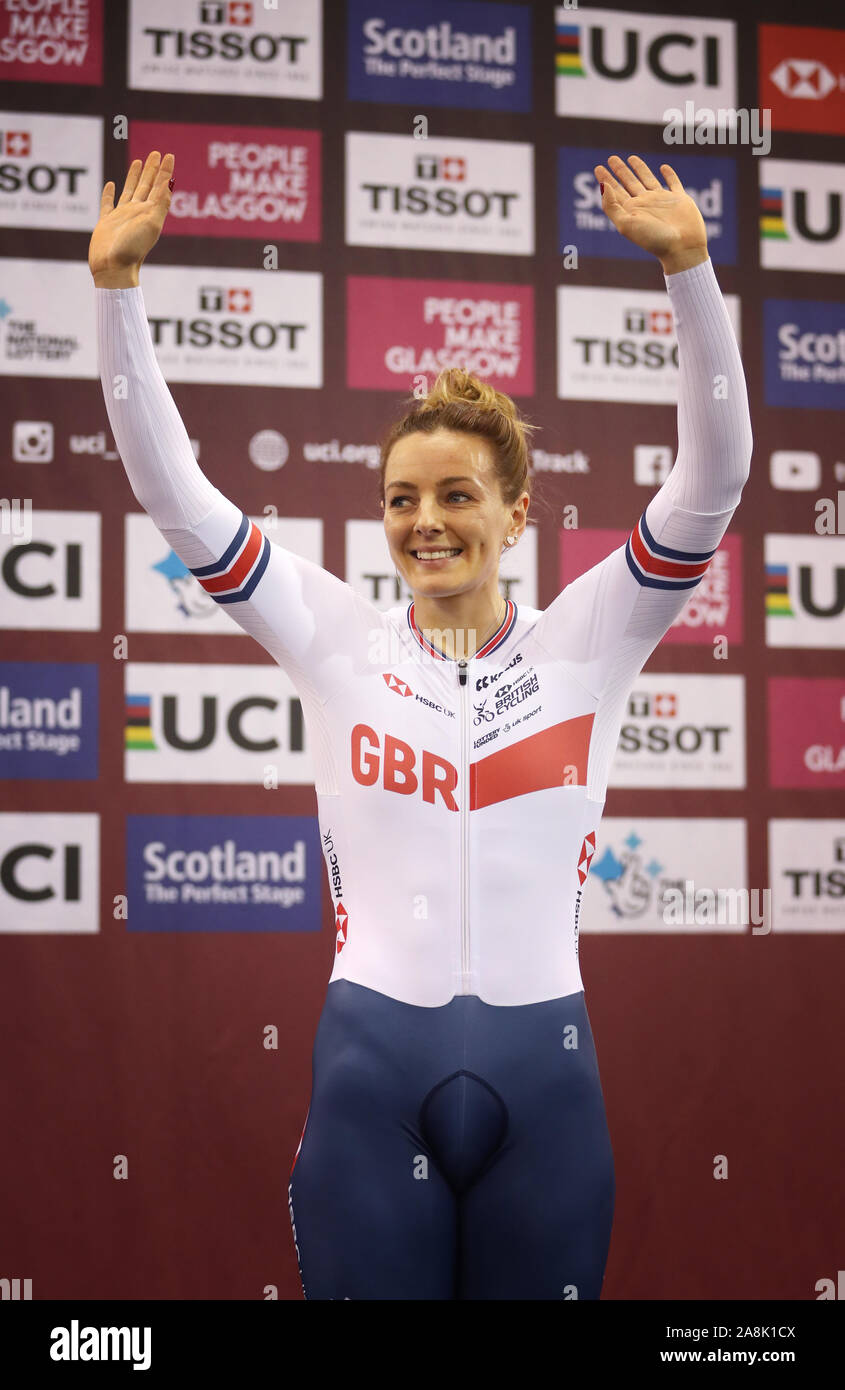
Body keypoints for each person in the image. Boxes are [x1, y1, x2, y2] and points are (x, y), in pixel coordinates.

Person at [89, 151, 752, 1300]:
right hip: (369, 1076)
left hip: (544, 1085)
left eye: (455, 494)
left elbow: (714, 479)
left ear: (514, 511)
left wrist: (689, 269)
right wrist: (115, 292)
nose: (425, 522)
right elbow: (172, 490)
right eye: (401, 497)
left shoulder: (591, 636)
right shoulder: (333, 634)